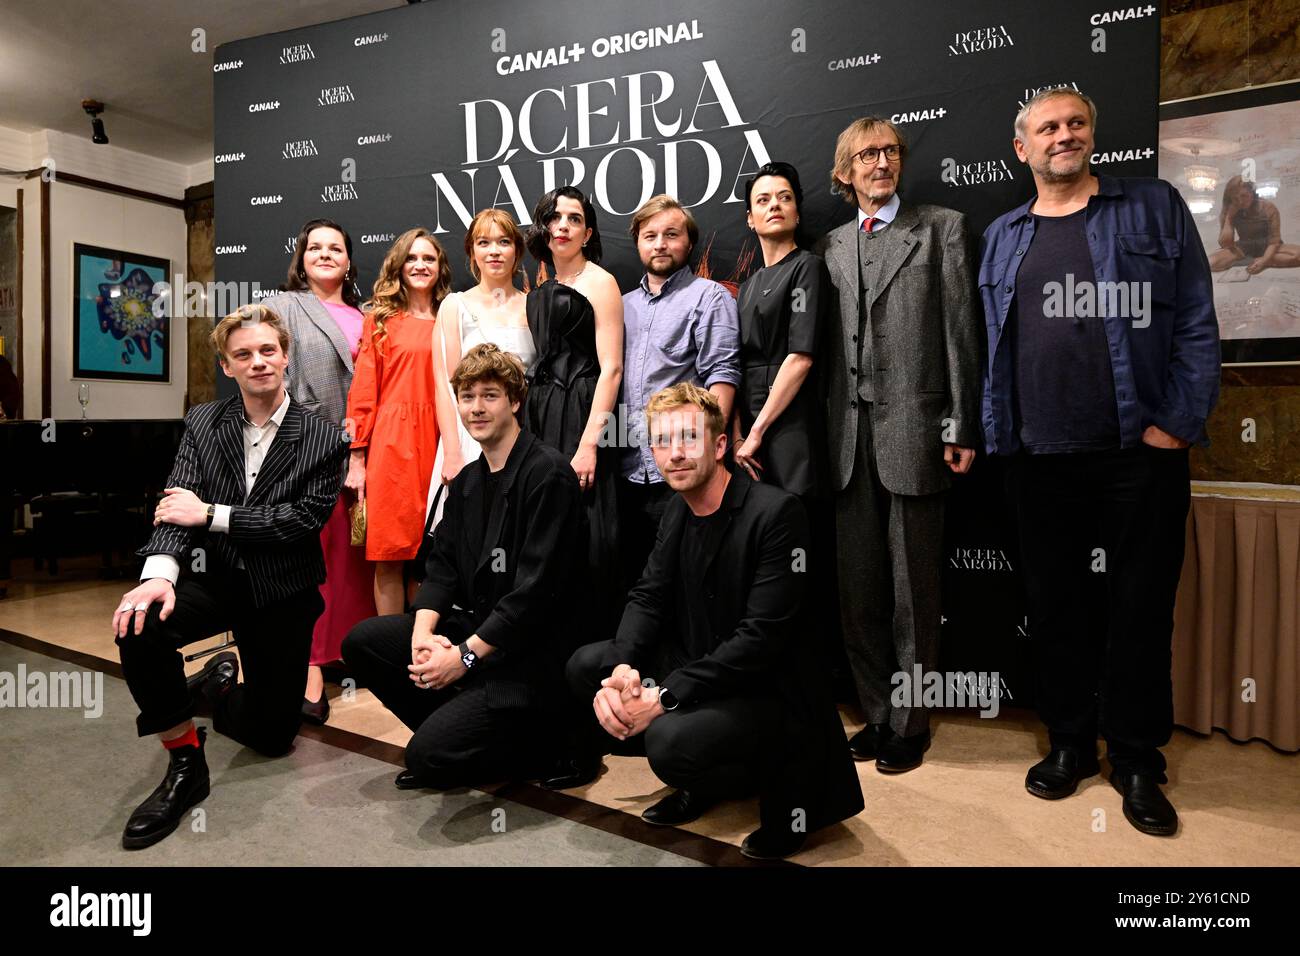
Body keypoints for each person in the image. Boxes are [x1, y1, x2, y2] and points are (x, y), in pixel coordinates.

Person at [979, 87, 1220, 836]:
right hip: (1038, 458)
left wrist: (1175, 427)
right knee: (1056, 613)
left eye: (1076, 122)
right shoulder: (1002, 234)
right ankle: (1072, 743)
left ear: (1093, 134)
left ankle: (1140, 757)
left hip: (1137, 454)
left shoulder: (1152, 207)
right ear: (1022, 148)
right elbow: (991, 350)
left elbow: (1196, 321)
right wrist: (995, 434)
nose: (1063, 135)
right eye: (1047, 127)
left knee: (1141, 610)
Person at [565, 383, 863, 860]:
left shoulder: (777, 514)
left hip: (769, 689)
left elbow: (760, 641)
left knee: (667, 736)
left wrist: (662, 698)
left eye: (688, 438)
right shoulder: (676, 512)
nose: (675, 454)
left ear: (720, 445)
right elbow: (649, 595)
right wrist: (623, 665)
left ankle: (755, 784)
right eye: (662, 442)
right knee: (588, 665)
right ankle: (706, 779)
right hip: (702, 662)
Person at [112, 304, 347, 849]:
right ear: (227, 364)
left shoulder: (322, 435)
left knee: (272, 737)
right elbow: (177, 505)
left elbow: (299, 522)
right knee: (139, 621)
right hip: (216, 581)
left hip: (282, 594)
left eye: (268, 351)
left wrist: (212, 515)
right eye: (244, 354)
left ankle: (218, 687)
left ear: (285, 357)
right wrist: (160, 576)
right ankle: (185, 765)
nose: (258, 361)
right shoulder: (202, 422)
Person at [342, 344, 587, 791]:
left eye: (490, 395)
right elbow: (442, 570)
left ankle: (542, 743)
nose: (476, 408)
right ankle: (460, 727)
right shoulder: (469, 481)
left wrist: (464, 657)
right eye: (467, 396)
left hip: (529, 656)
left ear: (515, 401)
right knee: (364, 641)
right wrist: (422, 636)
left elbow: (532, 598)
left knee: (430, 757)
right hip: (480, 631)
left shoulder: (548, 474)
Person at [817, 116, 982, 772]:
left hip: (916, 432)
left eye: (889, 151)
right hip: (845, 442)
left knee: (916, 591)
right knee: (858, 592)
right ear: (845, 172)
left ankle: (911, 724)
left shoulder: (941, 228)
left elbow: (962, 335)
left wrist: (962, 422)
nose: (880, 162)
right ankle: (878, 712)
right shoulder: (829, 245)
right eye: (866, 154)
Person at [262, 218, 374, 723]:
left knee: (357, 560)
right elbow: (267, 374)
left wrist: (362, 449)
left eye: (335, 248)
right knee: (311, 562)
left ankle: (352, 651)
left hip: (368, 452)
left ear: (350, 260)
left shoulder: (370, 314)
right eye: (315, 247)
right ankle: (307, 663)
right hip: (307, 450)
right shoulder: (282, 305)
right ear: (301, 258)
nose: (325, 254)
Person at [619, 194, 741, 591]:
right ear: (638, 242)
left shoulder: (709, 296)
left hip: (681, 472)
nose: (659, 244)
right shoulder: (621, 307)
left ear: (688, 242)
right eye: (650, 235)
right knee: (635, 582)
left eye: (671, 234)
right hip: (626, 473)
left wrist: (710, 455)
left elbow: (722, 374)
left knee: (689, 583)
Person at [522, 186, 624, 634]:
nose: (562, 225)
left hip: (583, 408)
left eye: (574, 218)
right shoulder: (542, 287)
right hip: (541, 413)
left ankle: (592, 645)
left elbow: (613, 369)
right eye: (554, 217)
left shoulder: (600, 282)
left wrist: (589, 444)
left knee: (589, 533)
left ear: (587, 232)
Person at [346, 228, 452, 615]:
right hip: (392, 446)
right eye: (412, 258)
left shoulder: (452, 316)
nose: (421, 265)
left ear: (441, 267)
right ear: (399, 266)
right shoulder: (379, 320)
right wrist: (357, 457)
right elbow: (363, 391)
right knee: (390, 554)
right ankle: (389, 657)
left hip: (444, 443)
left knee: (433, 555)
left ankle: (424, 653)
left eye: (429, 258)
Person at [427, 209, 537, 520]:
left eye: (503, 241)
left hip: (522, 437)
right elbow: (445, 387)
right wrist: (452, 452)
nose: (494, 251)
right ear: (472, 251)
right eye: (483, 242)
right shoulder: (454, 306)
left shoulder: (534, 305)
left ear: (516, 249)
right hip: (468, 440)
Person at [1208, 175, 1300, 274]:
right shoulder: (1230, 210)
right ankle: (1256, 259)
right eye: (1235, 198)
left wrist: (1264, 261)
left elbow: (1274, 241)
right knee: (1210, 262)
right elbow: (1225, 244)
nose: (1240, 201)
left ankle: (1261, 260)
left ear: (1252, 193)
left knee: (1298, 255)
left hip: (1268, 246)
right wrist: (1229, 217)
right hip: (1244, 247)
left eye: (1244, 196)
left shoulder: (1267, 207)